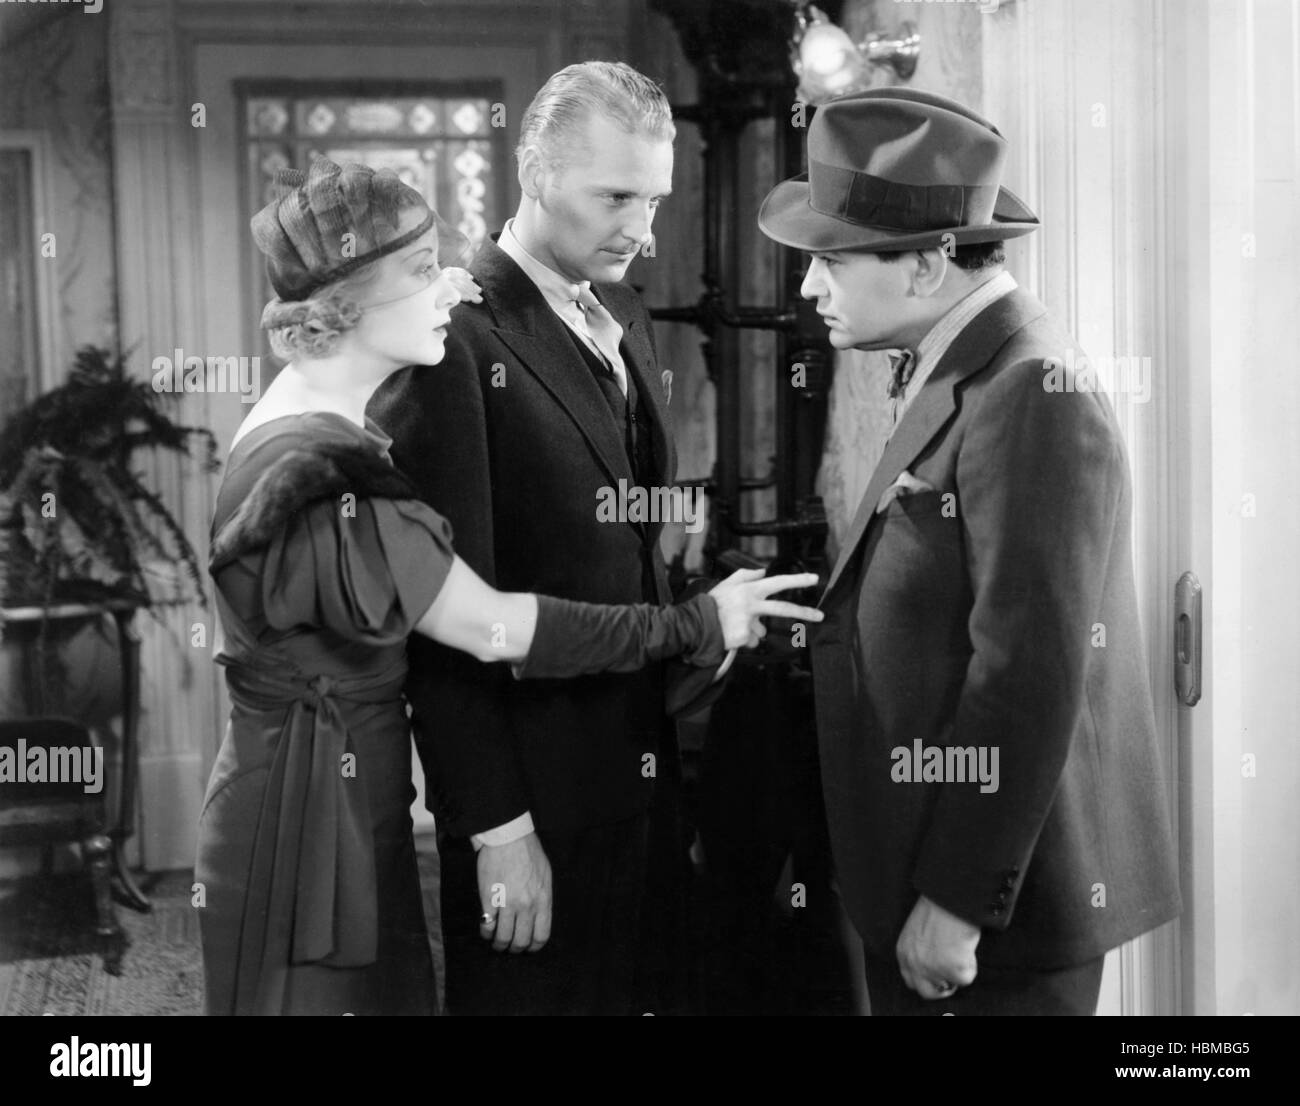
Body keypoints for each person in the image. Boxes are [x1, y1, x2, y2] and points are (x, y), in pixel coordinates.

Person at [195, 155, 822, 1016]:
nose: (453, 289)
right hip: (308, 820)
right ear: (345, 309)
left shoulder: (310, 406)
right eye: (422, 273)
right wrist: (691, 624)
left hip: (334, 791)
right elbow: (496, 628)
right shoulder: (322, 466)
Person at [758, 88, 1181, 1015]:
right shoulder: (967, 364)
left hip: (1000, 921)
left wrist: (956, 901)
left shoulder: (1034, 389)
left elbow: (1028, 672)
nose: (808, 289)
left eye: (831, 260)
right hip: (922, 870)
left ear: (930, 263)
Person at [369, 61, 708, 1015]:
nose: (641, 230)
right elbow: (442, 616)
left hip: (640, 784)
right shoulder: (449, 343)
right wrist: (494, 828)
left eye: (654, 198)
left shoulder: (625, 318)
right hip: (535, 805)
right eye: (615, 197)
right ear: (537, 172)